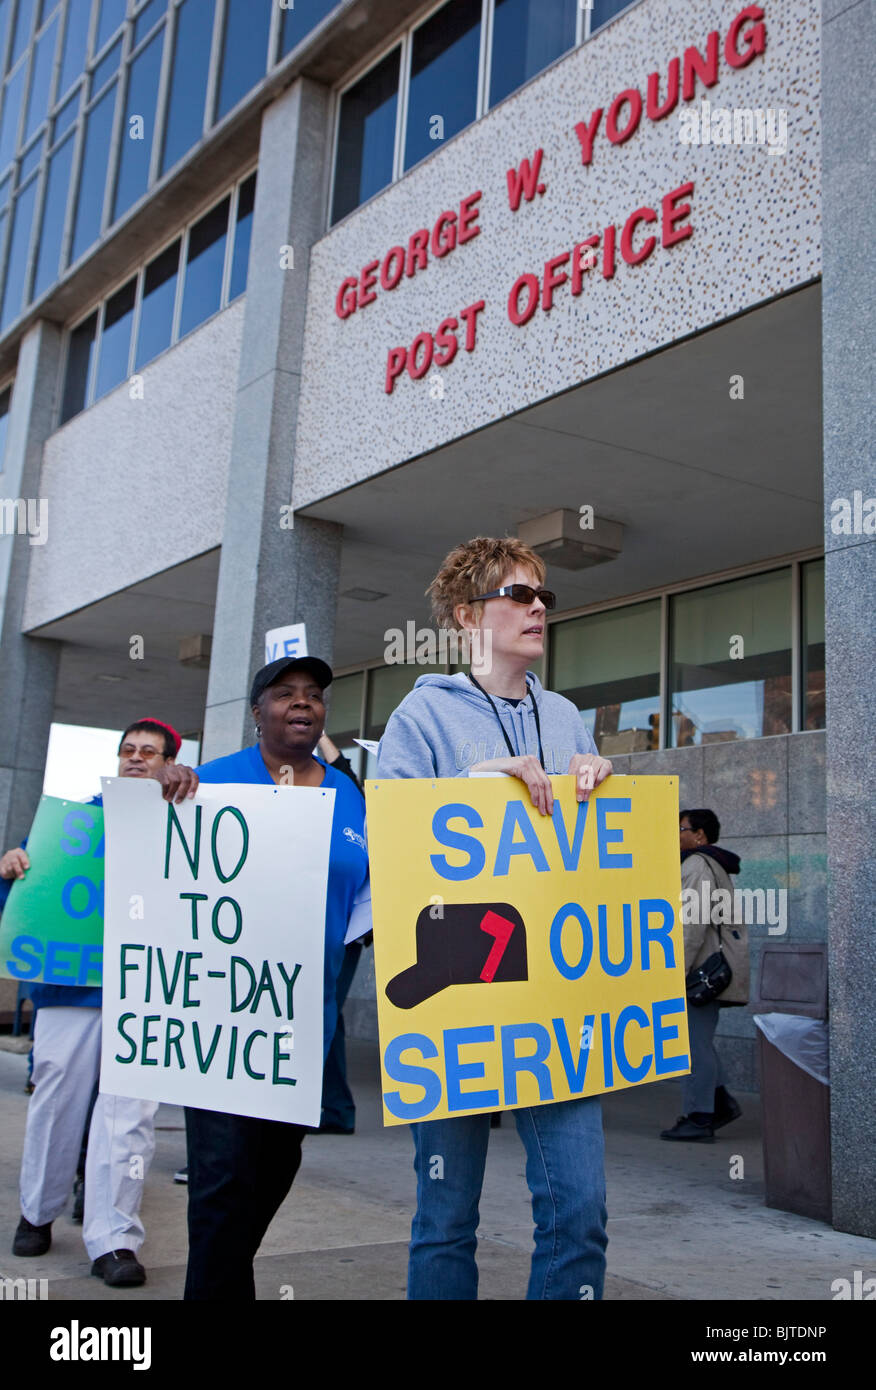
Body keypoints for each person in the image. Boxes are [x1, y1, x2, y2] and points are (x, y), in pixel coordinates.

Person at [377, 535, 613, 1301]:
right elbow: (396, 839)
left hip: (556, 998)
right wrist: (481, 781)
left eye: (543, 596)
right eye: (519, 594)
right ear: (466, 615)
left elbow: (587, 858)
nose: (539, 607)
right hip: (456, 1005)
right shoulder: (423, 715)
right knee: (447, 1219)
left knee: (579, 1212)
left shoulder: (569, 716)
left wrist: (600, 782)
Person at [154, 656, 371, 1301]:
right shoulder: (208, 785)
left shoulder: (348, 793)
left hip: (304, 1019)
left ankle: (223, 1283)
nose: (302, 704)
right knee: (220, 1184)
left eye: (313, 696)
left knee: (275, 1167)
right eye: (284, 695)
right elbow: (149, 862)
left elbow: (362, 890)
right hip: (224, 1024)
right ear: (257, 713)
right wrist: (157, 789)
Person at [2, 718, 182, 1286]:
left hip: (148, 986)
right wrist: (13, 867)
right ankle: (37, 1211)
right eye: (128, 750)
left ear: (169, 763)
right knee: (55, 1094)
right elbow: (31, 894)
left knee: (130, 1114)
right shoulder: (71, 823)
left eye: (149, 752)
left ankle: (114, 1240)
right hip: (72, 984)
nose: (135, 758)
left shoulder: (191, 823)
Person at [660, 808, 749, 1143]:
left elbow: (690, 926)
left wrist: (674, 972)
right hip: (707, 967)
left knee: (690, 1046)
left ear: (700, 836)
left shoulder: (697, 865)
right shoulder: (708, 864)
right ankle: (721, 1103)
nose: (676, 834)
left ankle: (699, 1118)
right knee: (698, 1042)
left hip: (699, 971)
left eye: (680, 828)